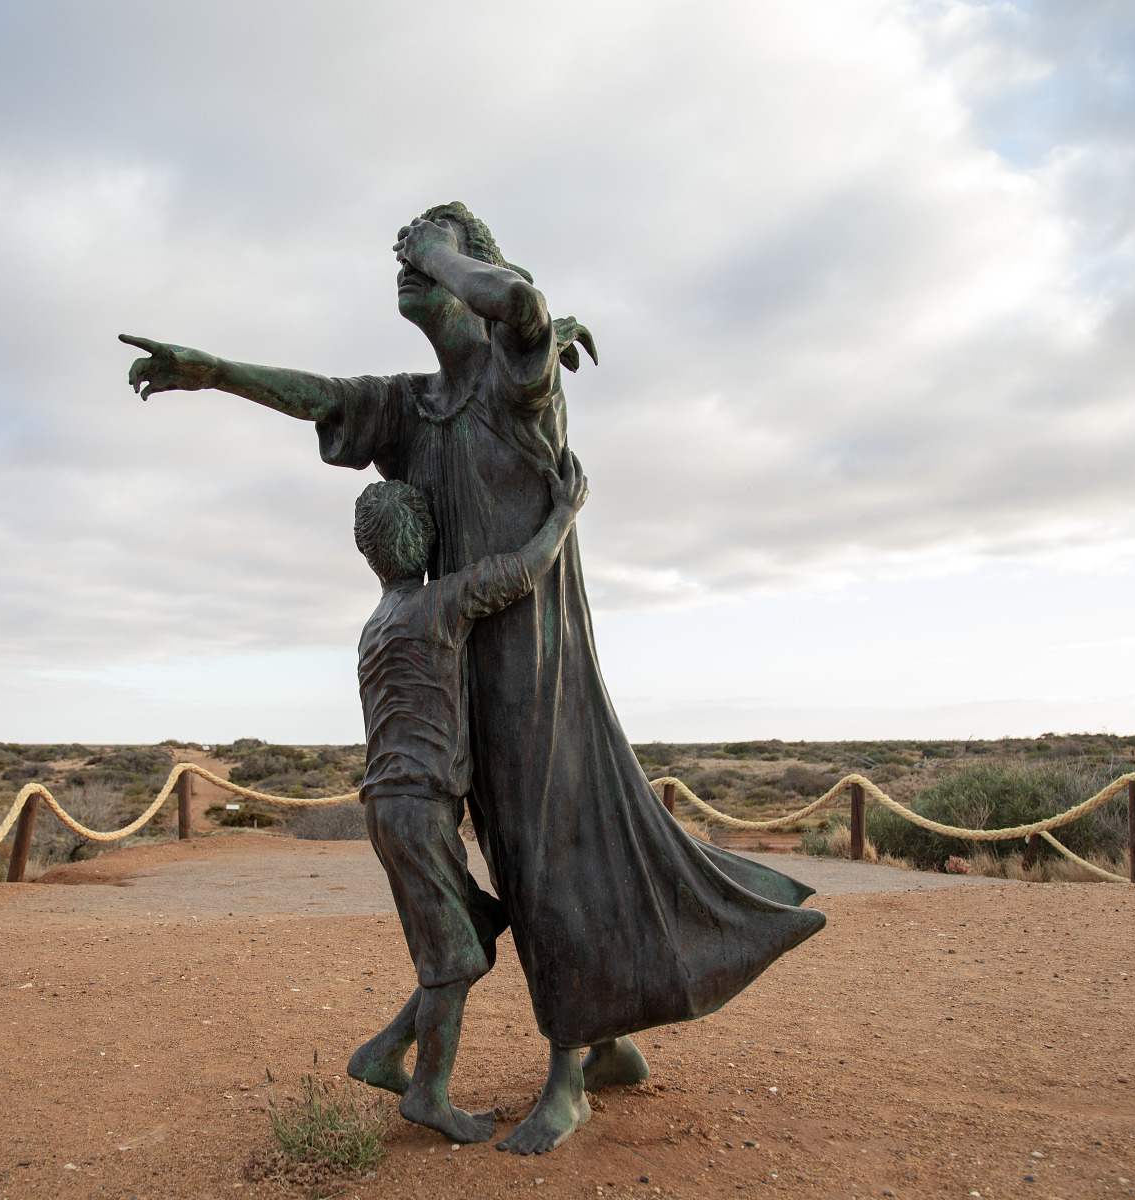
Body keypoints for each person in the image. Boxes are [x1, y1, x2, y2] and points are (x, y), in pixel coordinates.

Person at [121, 202, 824, 1154]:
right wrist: (215, 373)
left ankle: (570, 1071)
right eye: (404, 253)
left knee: (552, 855)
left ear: (466, 273)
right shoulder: (413, 407)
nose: (407, 263)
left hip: (539, 667)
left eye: (429, 251)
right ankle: (608, 1039)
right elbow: (321, 395)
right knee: (525, 858)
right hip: (468, 678)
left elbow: (526, 308)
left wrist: (444, 252)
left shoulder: (514, 382)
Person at [349, 457, 587, 1143]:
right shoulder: (439, 605)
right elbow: (517, 571)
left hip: (386, 806)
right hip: (420, 807)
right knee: (457, 957)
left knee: (472, 929)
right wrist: (564, 514)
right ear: (424, 541)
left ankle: (383, 1052)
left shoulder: (378, 624)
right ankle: (429, 1094)